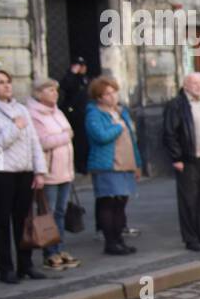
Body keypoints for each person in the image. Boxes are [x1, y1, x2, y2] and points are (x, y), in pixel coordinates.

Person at [0, 70, 48, 283]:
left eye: (8, 81)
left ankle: (26, 264)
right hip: (0, 172)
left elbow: (34, 142)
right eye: (0, 82)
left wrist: (39, 171)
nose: (7, 86)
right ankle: (6, 268)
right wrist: (15, 127)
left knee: (23, 221)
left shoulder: (21, 109)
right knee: (1, 221)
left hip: (24, 171)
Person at [163, 72, 200, 252]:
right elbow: (169, 133)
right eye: (196, 84)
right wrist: (177, 157)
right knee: (189, 200)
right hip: (188, 160)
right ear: (186, 85)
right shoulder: (177, 105)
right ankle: (191, 238)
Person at [84, 76, 142, 257]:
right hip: (107, 164)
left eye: (113, 92)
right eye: (107, 94)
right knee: (108, 203)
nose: (112, 96)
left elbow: (132, 140)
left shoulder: (121, 111)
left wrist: (138, 163)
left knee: (121, 203)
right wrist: (118, 127)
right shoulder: (94, 114)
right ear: (99, 97)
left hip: (125, 163)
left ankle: (119, 239)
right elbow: (100, 136)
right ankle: (111, 241)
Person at [27, 78, 80, 269]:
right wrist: (65, 136)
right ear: (39, 93)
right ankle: (49, 252)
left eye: (55, 90)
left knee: (60, 212)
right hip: (48, 172)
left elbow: (68, 132)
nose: (55, 93)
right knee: (47, 214)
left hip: (64, 169)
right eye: (50, 90)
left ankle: (59, 248)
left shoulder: (57, 112)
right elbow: (43, 141)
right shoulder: (34, 114)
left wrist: (65, 136)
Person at [58, 57, 90, 173]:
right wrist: (72, 73)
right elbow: (64, 86)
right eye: (79, 66)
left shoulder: (85, 79)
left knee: (85, 140)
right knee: (78, 141)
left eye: (83, 66)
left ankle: (85, 164)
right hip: (73, 114)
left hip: (85, 113)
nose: (82, 68)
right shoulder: (70, 78)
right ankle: (79, 165)